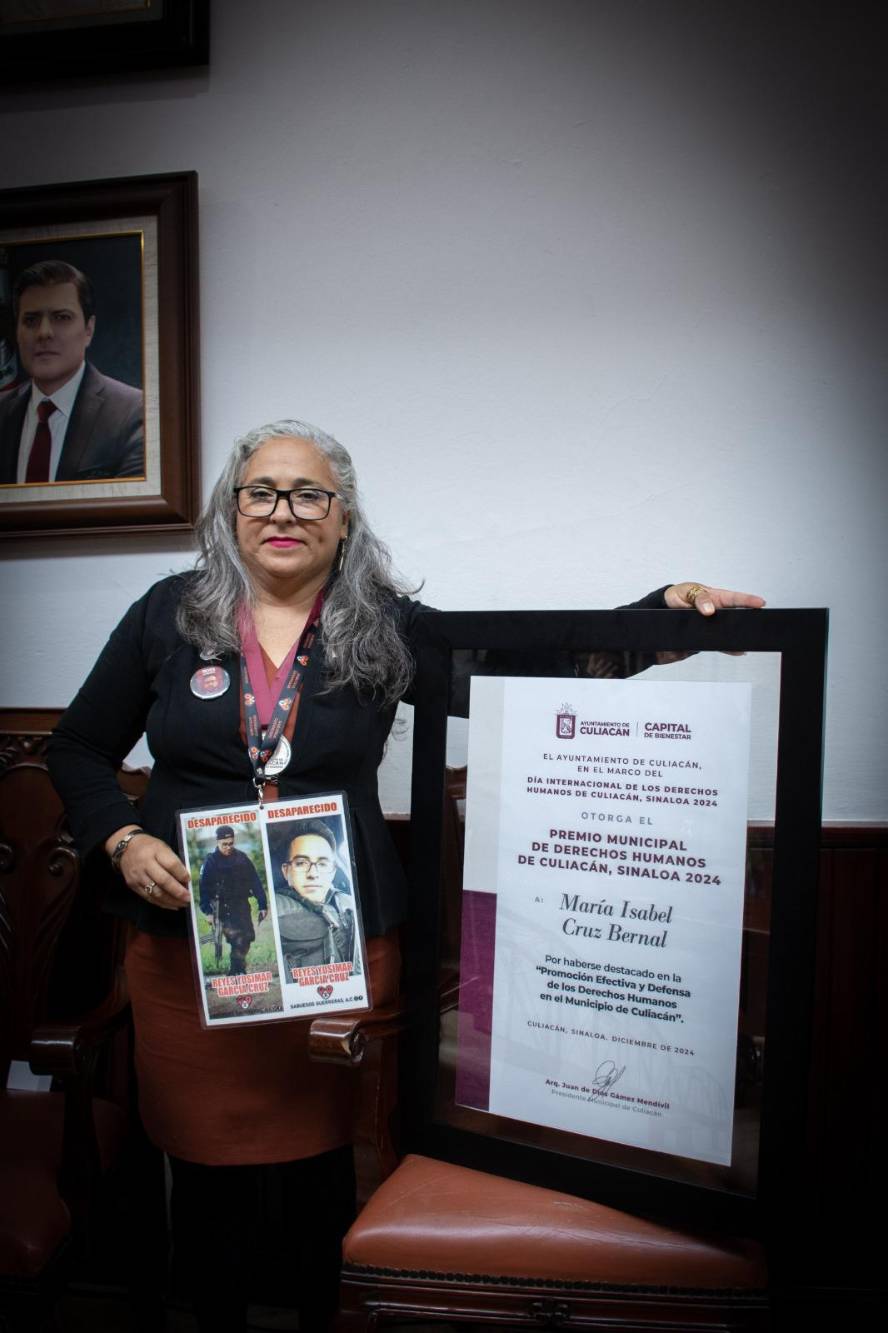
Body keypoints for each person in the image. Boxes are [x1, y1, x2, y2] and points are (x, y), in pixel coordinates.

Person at [47, 418, 764, 1332]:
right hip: (192, 948)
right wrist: (117, 838)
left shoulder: (381, 624)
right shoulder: (166, 612)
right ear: (233, 511)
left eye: (310, 494)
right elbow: (75, 748)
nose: (284, 511)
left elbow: (521, 666)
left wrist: (663, 618)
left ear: (343, 518)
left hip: (330, 947)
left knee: (321, 1178)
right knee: (204, 1184)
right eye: (261, 491)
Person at [0, 259, 144, 484]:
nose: (44, 332)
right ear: (16, 331)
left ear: (89, 329)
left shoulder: (133, 413)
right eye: (31, 320)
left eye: (61, 318)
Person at [276, 820, 356, 976]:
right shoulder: (276, 908)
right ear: (286, 871)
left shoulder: (350, 903)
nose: (313, 874)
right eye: (301, 863)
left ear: (333, 871)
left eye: (323, 863)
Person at [199, 825, 268, 975]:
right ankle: (238, 970)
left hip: (242, 905)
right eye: (224, 844)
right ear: (217, 842)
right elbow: (203, 888)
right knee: (236, 937)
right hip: (223, 907)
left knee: (248, 936)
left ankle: (235, 970)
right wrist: (207, 911)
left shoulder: (241, 858)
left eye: (231, 843)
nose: (228, 847)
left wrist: (263, 904)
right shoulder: (211, 861)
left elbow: (255, 881)